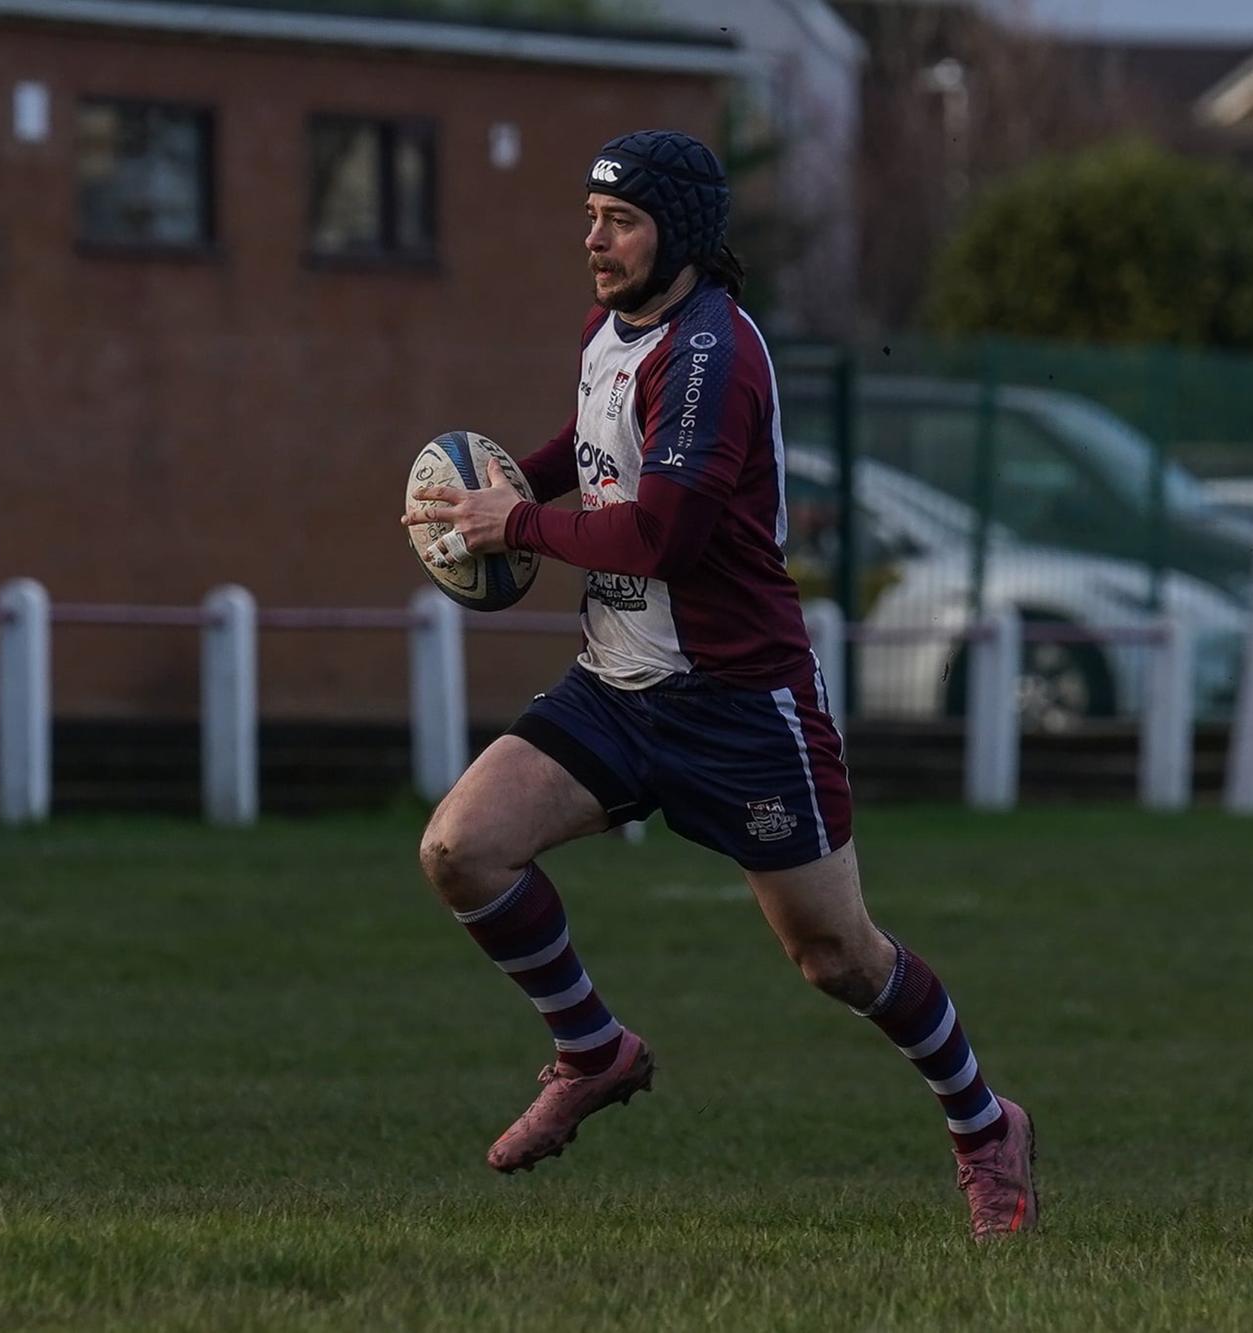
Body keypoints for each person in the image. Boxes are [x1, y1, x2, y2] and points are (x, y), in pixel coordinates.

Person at [402, 130, 1037, 1240]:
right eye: (592, 217)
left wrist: (519, 524)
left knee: (837, 958)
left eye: (620, 221)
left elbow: (666, 532)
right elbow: (593, 446)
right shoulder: (617, 328)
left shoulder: (710, 355)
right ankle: (593, 1049)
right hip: (616, 685)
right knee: (461, 847)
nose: (593, 240)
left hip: (741, 706)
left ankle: (984, 1125)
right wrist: (494, 485)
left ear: (679, 235)